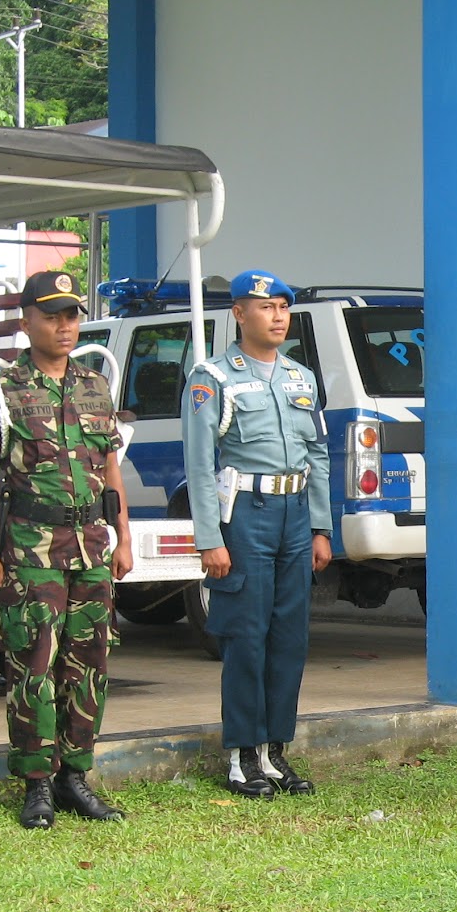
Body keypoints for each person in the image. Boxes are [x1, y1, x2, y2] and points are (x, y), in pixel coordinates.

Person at [0, 270, 132, 829]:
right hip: (30, 549)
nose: (65, 326)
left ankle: (74, 777)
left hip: (91, 546)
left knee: (89, 664)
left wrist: (123, 537)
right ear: (26, 321)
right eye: (52, 315)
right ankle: (37, 783)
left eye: (72, 315)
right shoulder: (1, 388)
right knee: (33, 664)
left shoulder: (94, 385)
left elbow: (110, 467)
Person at [181, 270, 333, 798]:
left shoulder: (301, 378)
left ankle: (275, 753)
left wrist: (320, 526)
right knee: (246, 636)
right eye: (264, 306)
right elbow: (200, 465)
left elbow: (317, 454)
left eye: (283, 307)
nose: (276, 316)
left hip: (295, 514)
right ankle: (242, 755)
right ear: (238, 314)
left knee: (289, 638)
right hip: (245, 513)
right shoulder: (213, 377)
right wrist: (209, 538)